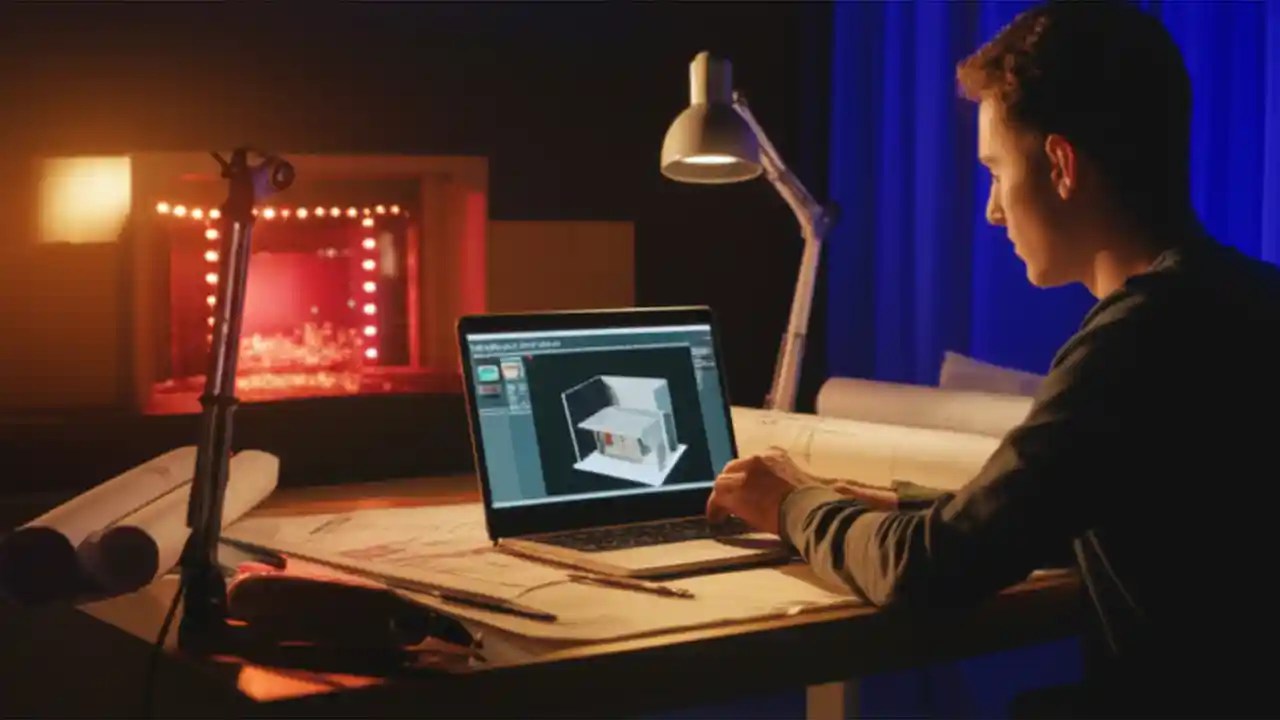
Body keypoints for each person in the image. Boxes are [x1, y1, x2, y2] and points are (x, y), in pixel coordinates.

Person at [706, 1, 1280, 717]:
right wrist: (907, 505)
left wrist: (790, 505)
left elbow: (930, 572)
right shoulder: (1249, 301)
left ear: (1061, 165)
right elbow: (1094, 505)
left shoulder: (1134, 342)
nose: (993, 210)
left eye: (995, 170)